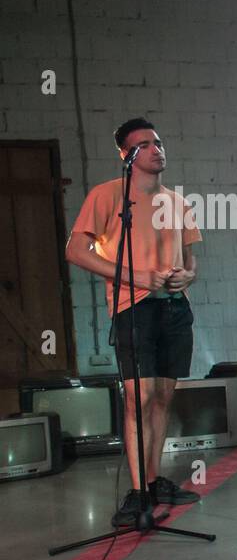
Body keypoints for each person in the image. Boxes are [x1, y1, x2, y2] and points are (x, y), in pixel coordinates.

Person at [65, 118, 202, 526]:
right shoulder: (107, 195)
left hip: (175, 308)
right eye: (144, 144)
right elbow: (76, 250)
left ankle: (156, 480)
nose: (156, 148)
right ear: (126, 155)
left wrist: (186, 276)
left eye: (158, 141)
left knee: (162, 397)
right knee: (137, 399)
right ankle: (138, 492)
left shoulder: (179, 202)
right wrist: (134, 275)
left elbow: (192, 260)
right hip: (133, 307)